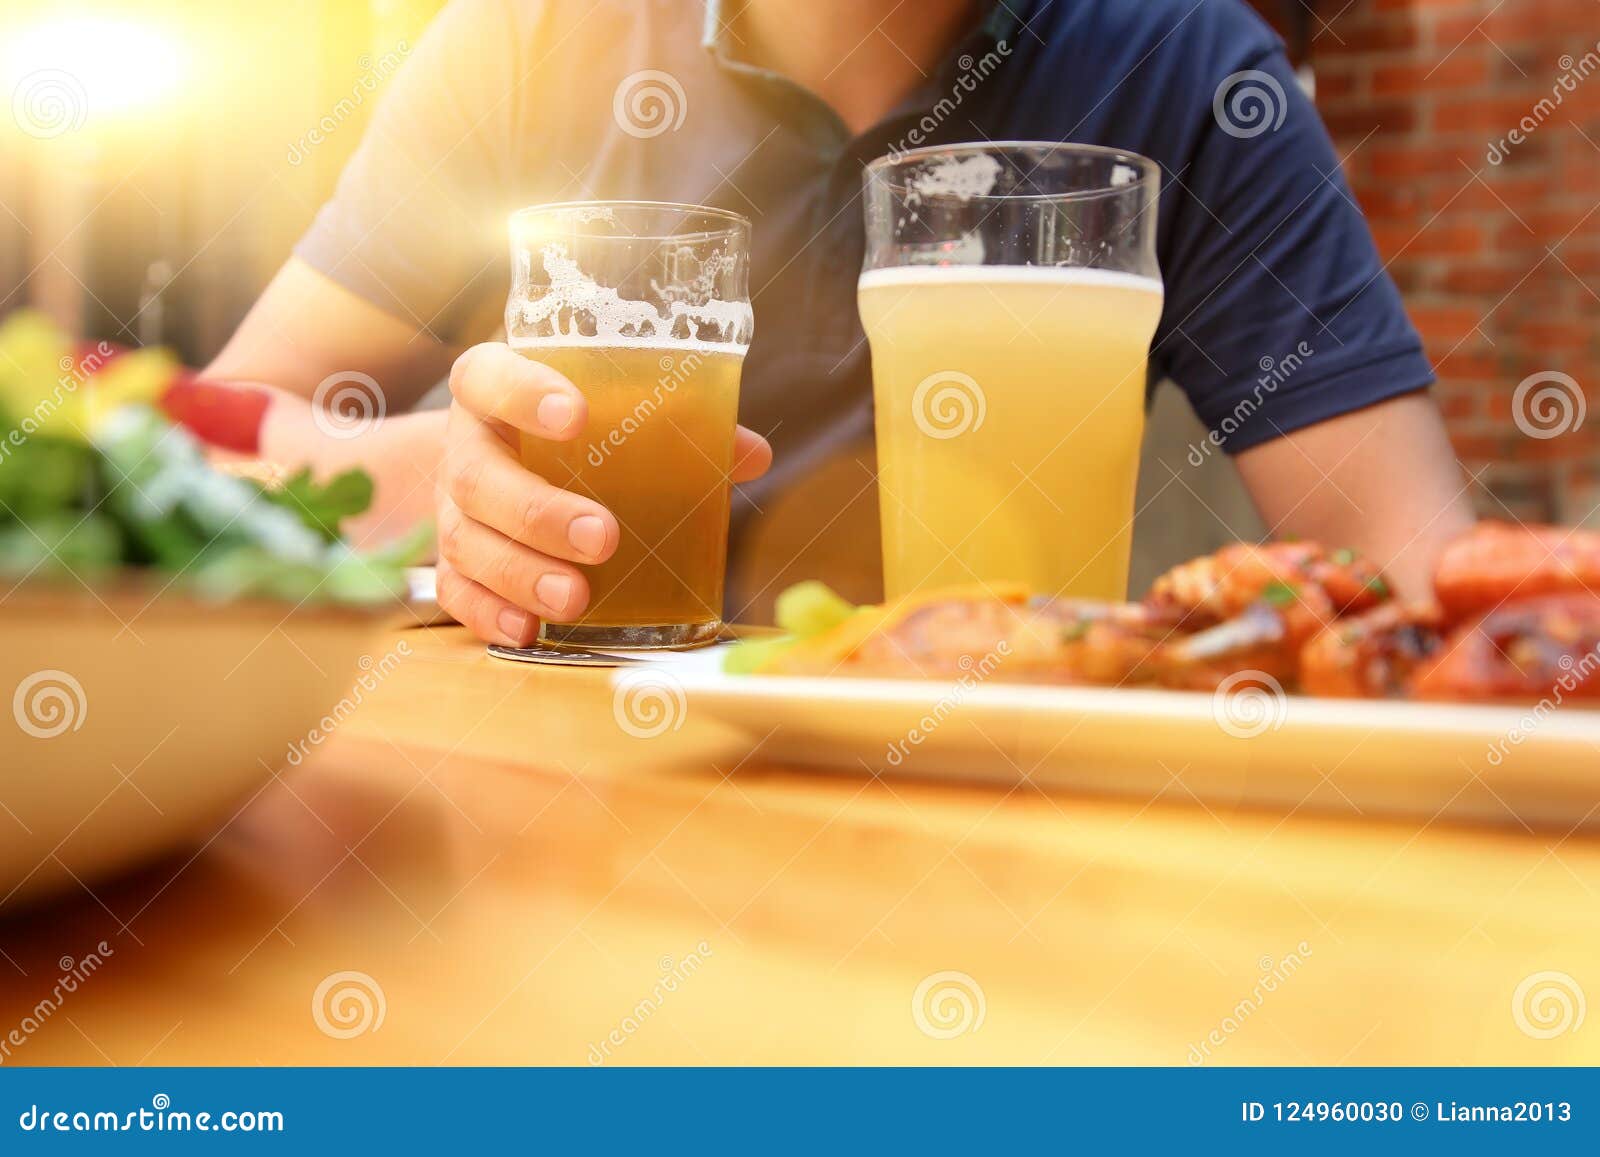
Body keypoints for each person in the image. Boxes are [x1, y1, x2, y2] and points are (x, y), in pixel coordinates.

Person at [205, 0, 1474, 646]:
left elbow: (1411, 569)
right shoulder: (530, 37)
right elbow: (209, 444)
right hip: (567, 767)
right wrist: (437, 487)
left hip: (989, 781)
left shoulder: (1183, 65)